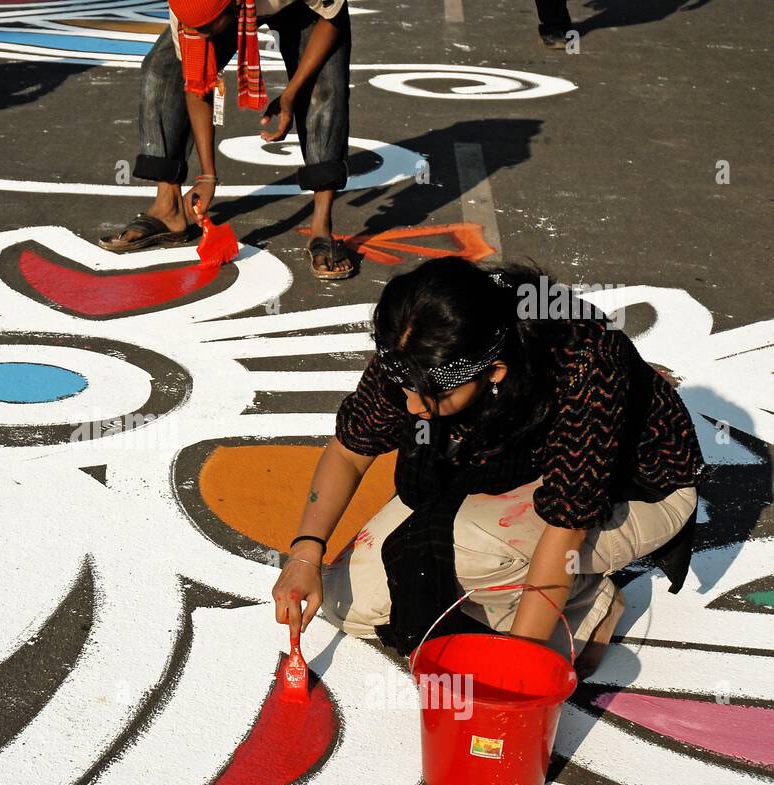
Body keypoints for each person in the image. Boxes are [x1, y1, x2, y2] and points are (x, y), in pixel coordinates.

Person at [271, 257, 707, 679]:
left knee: (463, 545)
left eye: (429, 396)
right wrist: (305, 553)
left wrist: (517, 669)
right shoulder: (423, 338)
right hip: (510, 468)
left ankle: (585, 608)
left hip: (631, 487)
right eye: (403, 387)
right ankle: (509, 589)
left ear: (494, 372)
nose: (410, 405)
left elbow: (567, 527)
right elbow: (350, 450)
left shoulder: (582, 362)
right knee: (348, 602)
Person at [99, 0, 356, 281]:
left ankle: (321, 226)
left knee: (323, 84)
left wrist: (290, 95)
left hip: (310, 10)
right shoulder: (187, 11)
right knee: (162, 71)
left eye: (207, 28)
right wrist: (208, 176)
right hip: (228, 10)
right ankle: (168, 208)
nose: (202, 36)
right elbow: (196, 82)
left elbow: (330, 19)